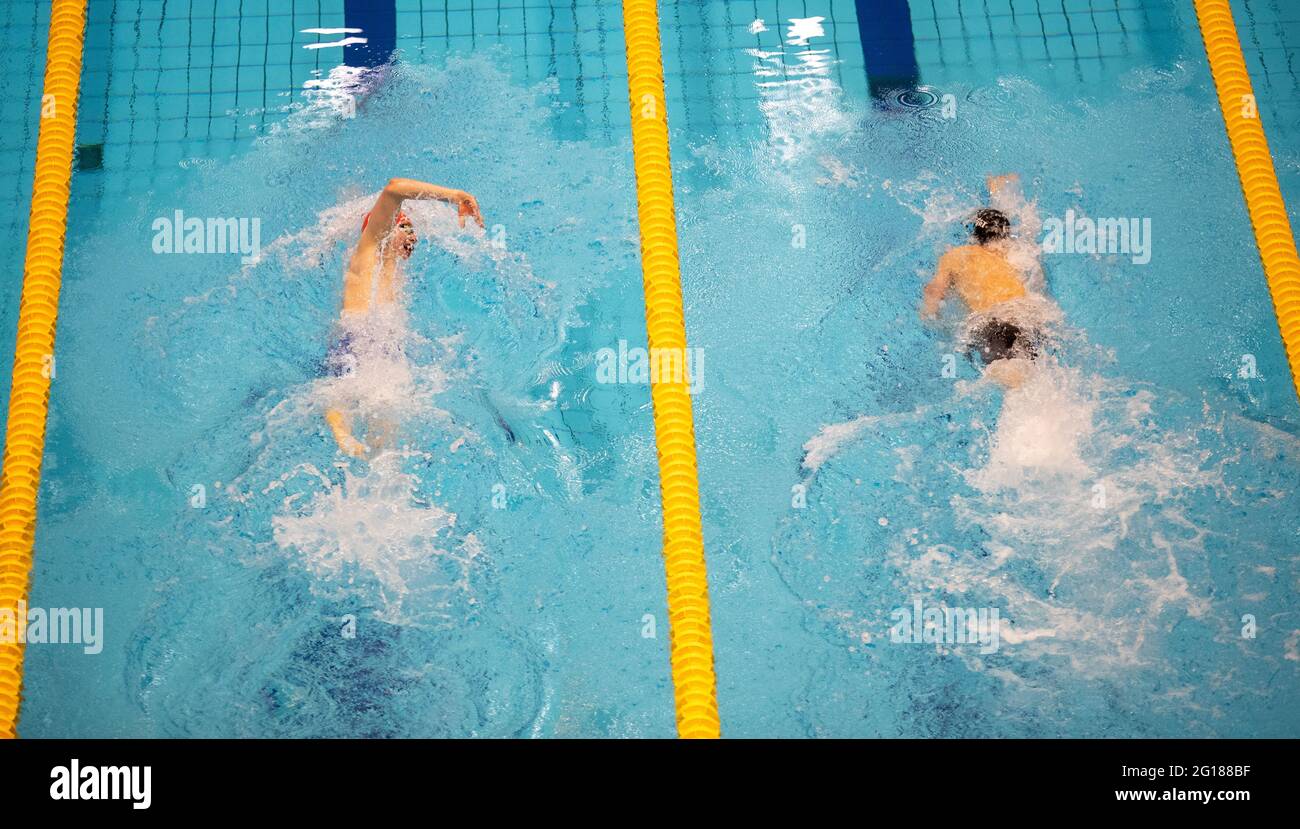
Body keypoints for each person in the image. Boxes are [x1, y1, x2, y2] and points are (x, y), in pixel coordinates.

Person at [324, 178, 484, 457]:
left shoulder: (396, 275)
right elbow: (394, 188)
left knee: (385, 446)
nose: (414, 236)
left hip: (388, 356)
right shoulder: (368, 254)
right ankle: (341, 433)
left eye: (414, 230)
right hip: (355, 343)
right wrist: (454, 195)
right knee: (341, 395)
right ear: (383, 229)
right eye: (406, 227)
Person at [921, 173, 1038, 388]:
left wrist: (929, 317)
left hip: (995, 322)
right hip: (1028, 316)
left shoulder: (956, 256)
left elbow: (934, 291)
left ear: (975, 236)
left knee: (1012, 383)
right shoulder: (1012, 255)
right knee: (1034, 374)